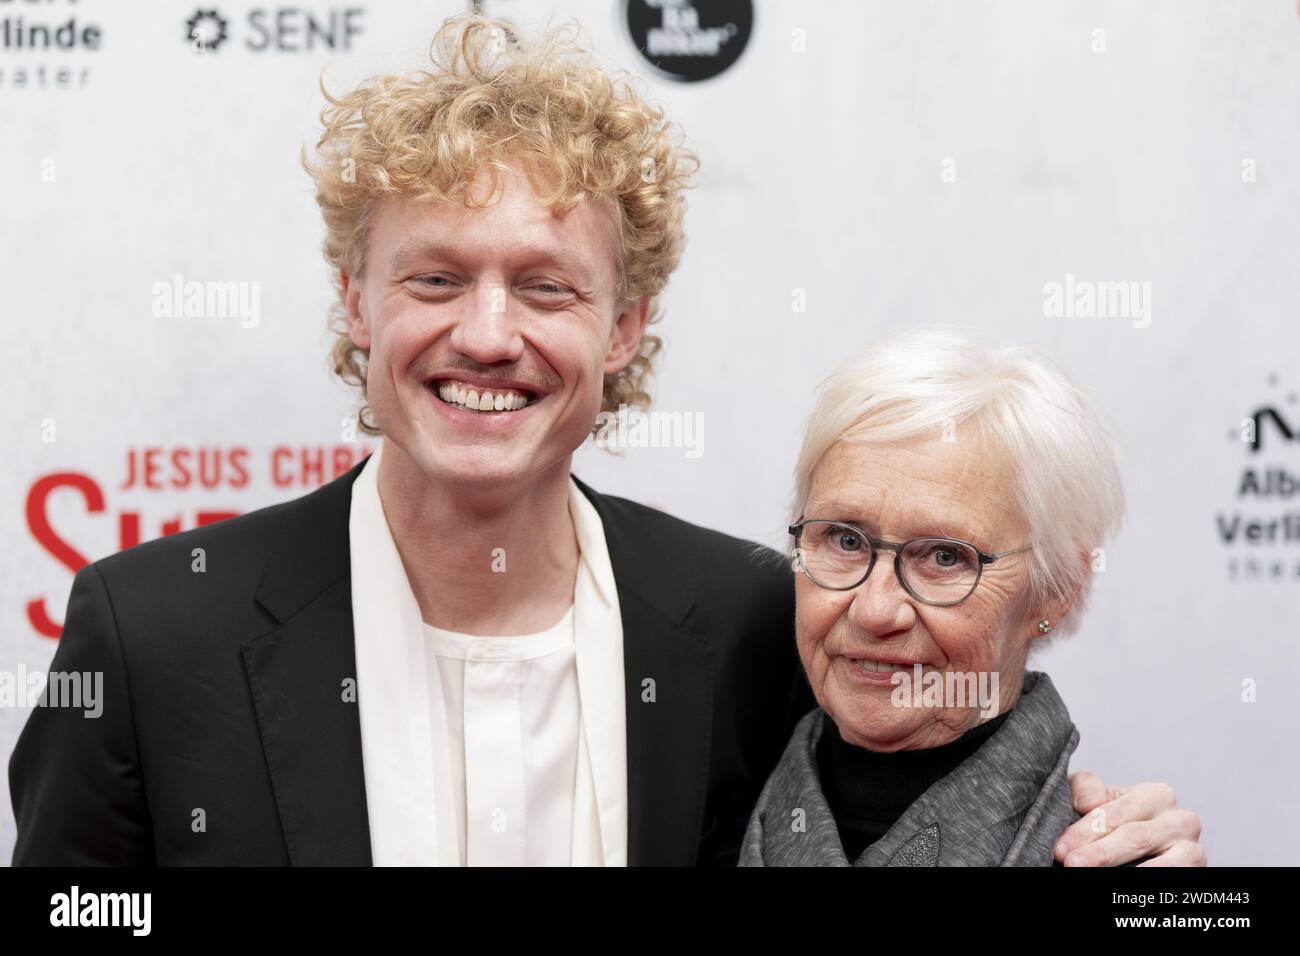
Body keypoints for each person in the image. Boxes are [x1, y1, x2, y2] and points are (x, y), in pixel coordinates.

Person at [10, 16, 1200, 867]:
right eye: (434, 276)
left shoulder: (747, 618)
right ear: (357, 302)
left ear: (624, 326)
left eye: (546, 287)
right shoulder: (155, 628)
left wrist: (1136, 859)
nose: (487, 334)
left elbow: (930, 798)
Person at [740, 329, 1205, 866]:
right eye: (845, 540)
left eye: (944, 556)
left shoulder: (1134, 867)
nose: (874, 610)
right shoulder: (690, 807)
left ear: (1055, 591)